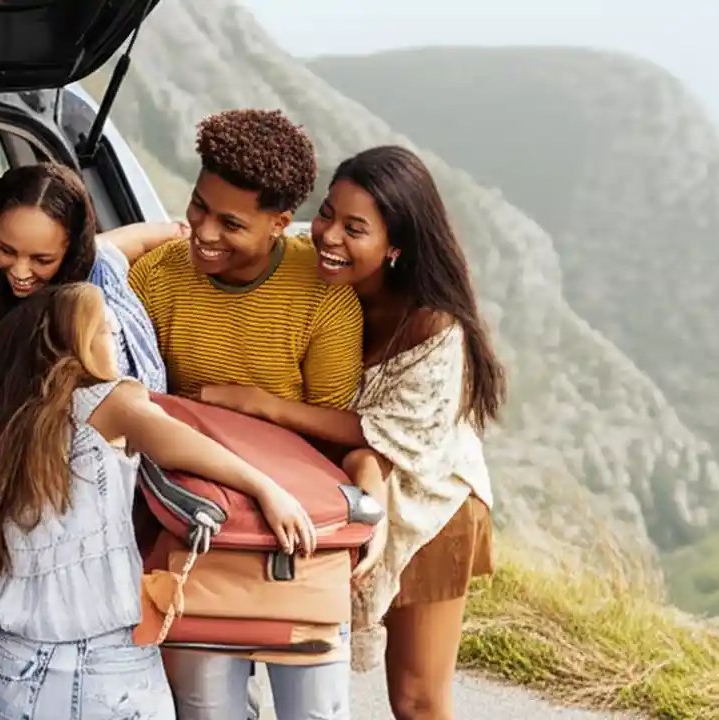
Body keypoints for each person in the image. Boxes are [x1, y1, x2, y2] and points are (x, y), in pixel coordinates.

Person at [201, 145, 507, 720]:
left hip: (431, 508)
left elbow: (379, 431)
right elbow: (222, 233)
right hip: (343, 494)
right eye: (326, 214)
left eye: (354, 229)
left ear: (395, 246)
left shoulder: (435, 326)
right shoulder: (312, 268)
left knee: (418, 700)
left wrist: (264, 406)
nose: (328, 235)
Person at [0, 282, 316, 720]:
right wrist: (265, 486)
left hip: (8, 671)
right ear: (75, 345)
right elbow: (174, 442)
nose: (116, 340)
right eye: (107, 331)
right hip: (103, 669)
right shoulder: (107, 401)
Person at [126, 107, 364, 720]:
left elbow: (334, 433)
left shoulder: (322, 295)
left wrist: (250, 406)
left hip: (301, 538)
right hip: (201, 532)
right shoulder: (158, 276)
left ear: (281, 224)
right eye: (199, 206)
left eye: (230, 222)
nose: (202, 230)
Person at [0, 162, 182, 392]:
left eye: (42, 260)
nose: (20, 272)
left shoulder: (95, 325)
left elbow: (76, 419)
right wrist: (177, 231)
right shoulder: (96, 253)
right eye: (7, 250)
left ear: (71, 251)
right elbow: (131, 240)